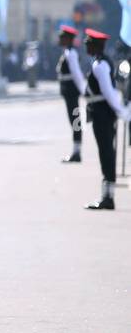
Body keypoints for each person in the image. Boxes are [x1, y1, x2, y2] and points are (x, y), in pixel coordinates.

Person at [81, 29, 130, 209]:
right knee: (107, 152)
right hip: (103, 112)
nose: (86, 45)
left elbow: (109, 93)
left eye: (89, 43)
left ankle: (108, 197)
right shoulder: (99, 62)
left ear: (97, 45)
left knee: (106, 153)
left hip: (102, 112)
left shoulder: (100, 65)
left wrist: (121, 111)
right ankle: (107, 195)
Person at [57, 24, 86, 163]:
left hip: (71, 92)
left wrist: (84, 91)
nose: (60, 39)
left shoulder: (71, 53)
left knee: (75, 121)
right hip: (69, 92)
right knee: (74, 120)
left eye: (62, 37)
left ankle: (77, 152)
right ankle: (76, 151)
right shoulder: (67, 52)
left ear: (68, 39)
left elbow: (76, 74)